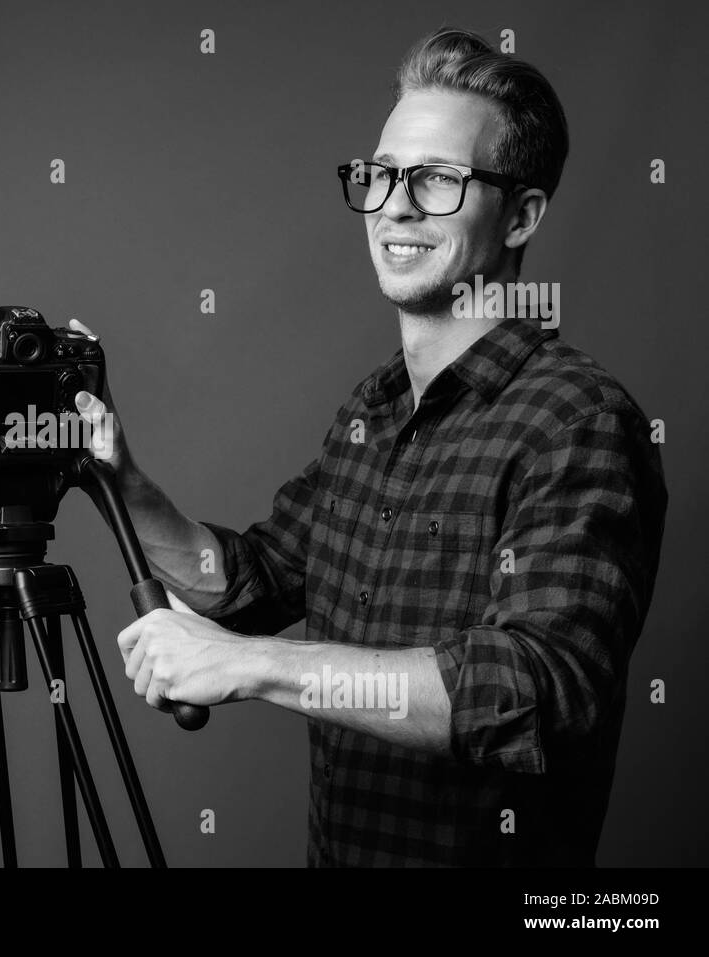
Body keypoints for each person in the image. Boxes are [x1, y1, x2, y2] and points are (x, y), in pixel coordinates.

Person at [71, 27, 668, 867]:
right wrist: (120, 479)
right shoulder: (376, 409)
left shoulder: (578, 418)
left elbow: (533, 689)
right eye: (381, 175)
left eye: (437, 179)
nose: (394, 205)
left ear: (523, 213)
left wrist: (255, 666)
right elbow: (247, 582)